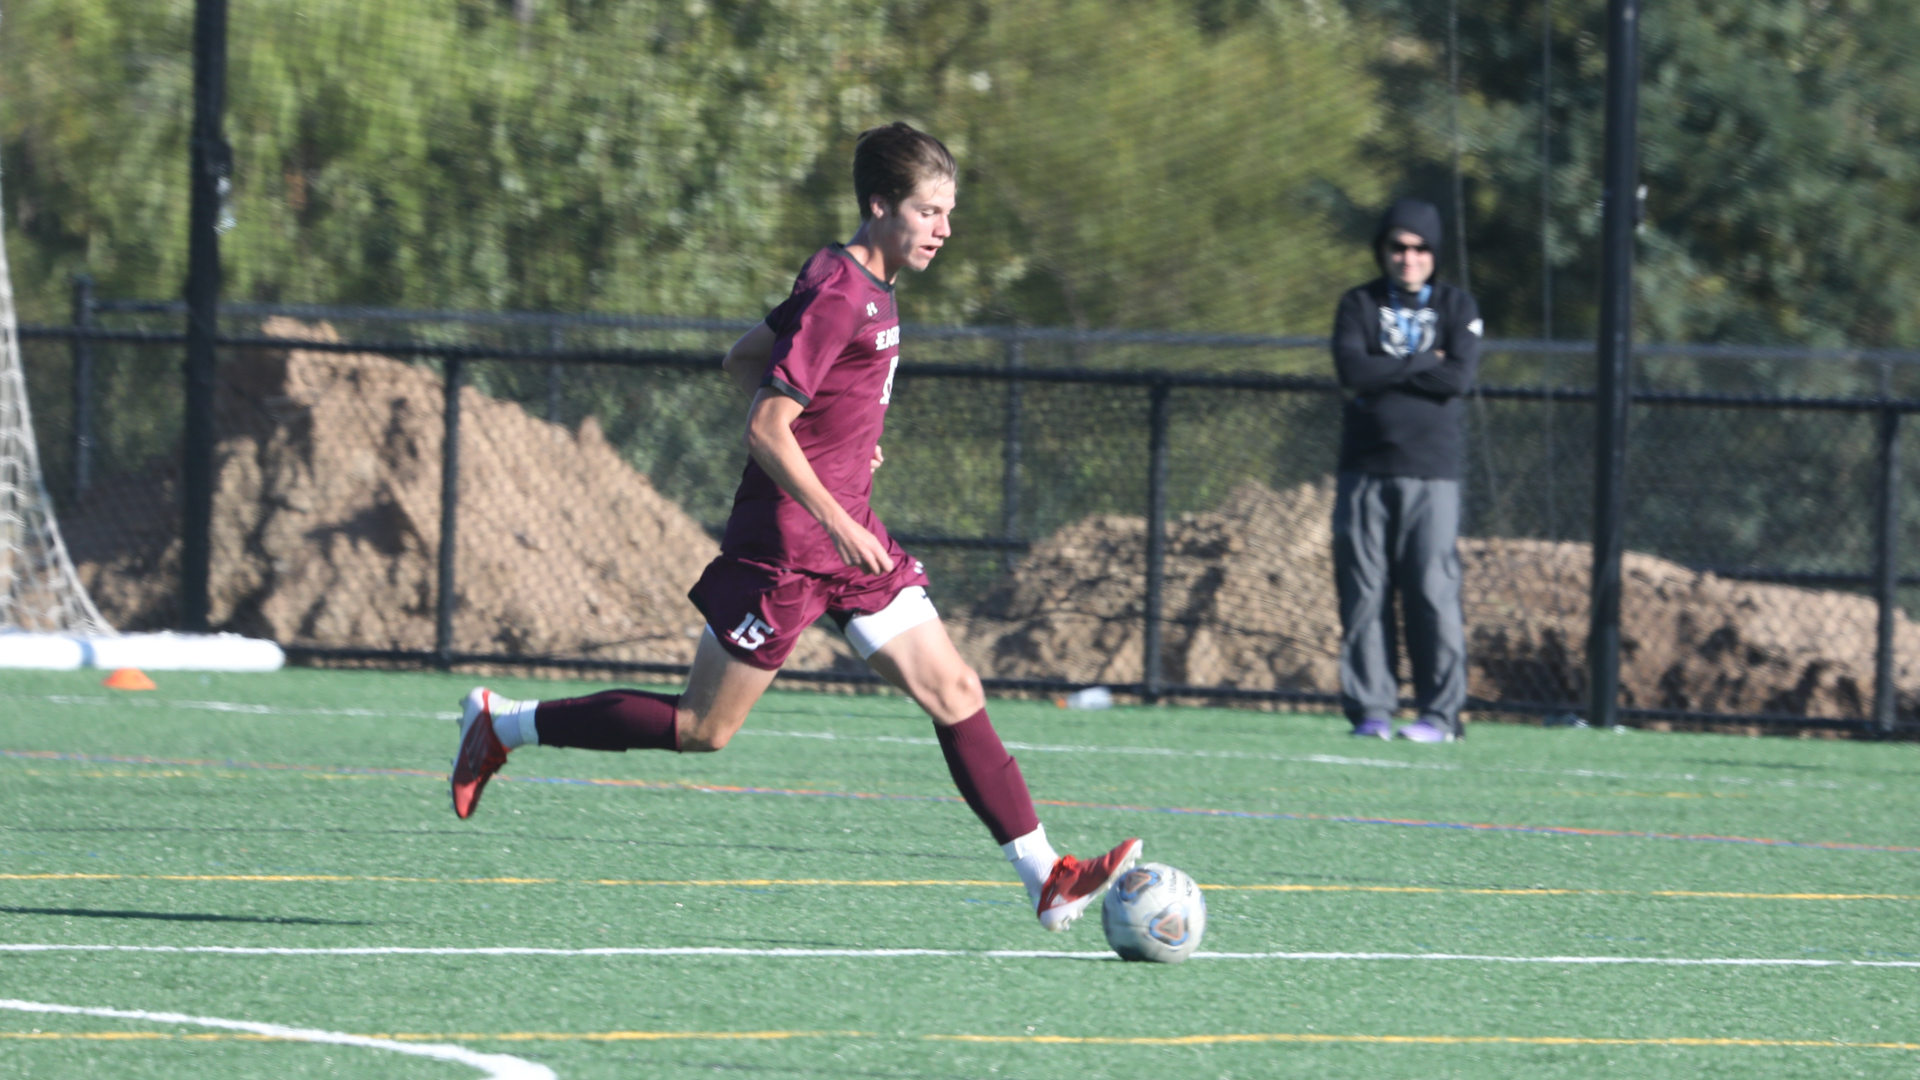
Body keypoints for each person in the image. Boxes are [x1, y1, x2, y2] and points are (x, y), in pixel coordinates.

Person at [447, 122, 1140, 931]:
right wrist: (834, 506)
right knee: (702, 729)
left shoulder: (852, 281)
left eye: (949, 211)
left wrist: (845, 457)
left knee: (954, 689)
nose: (944, 229)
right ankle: (502, 724)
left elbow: (742, 358)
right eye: (928, 212)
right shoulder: (843, 293)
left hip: (843, 539)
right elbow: (766, 427)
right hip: (787, 548)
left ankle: (1044, 876)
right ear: (879, 206)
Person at [1328, 198, 1482, 743]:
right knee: (1364, 591)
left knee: (1431, 591)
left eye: (1419, 248)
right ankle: (1372, 710)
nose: (1408, 257)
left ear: (1434, 253)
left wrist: (1388, 371)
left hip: (1433, 473)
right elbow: (1352, 369)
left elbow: (1459, 378)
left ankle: (1440, 716)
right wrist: (1422, 362)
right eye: (1398, 246)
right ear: (1383, 251)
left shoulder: (1457, 305)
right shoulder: (1358, 304)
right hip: (1364, 470)